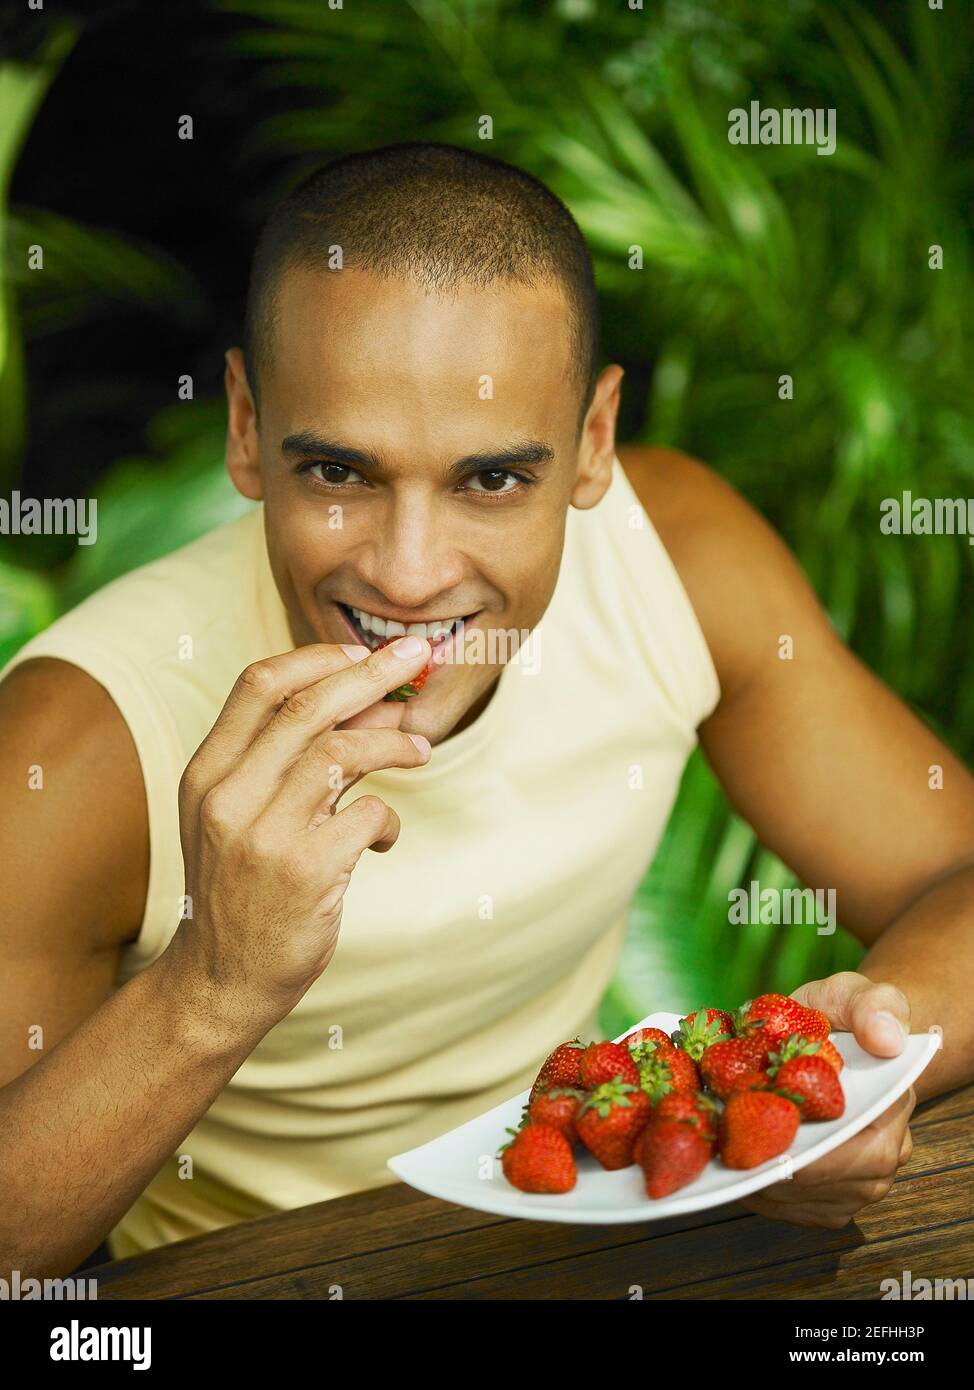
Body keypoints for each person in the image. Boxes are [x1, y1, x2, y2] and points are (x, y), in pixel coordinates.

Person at [1, 143, 969, 1279]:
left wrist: (849, 1064)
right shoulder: (80, 740)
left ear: (593, 443)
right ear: (248, 430)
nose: (409, 575)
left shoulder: (678, 561)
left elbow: (948, 872)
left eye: (491, 481)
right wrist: (214, 983)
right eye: (341, 474)